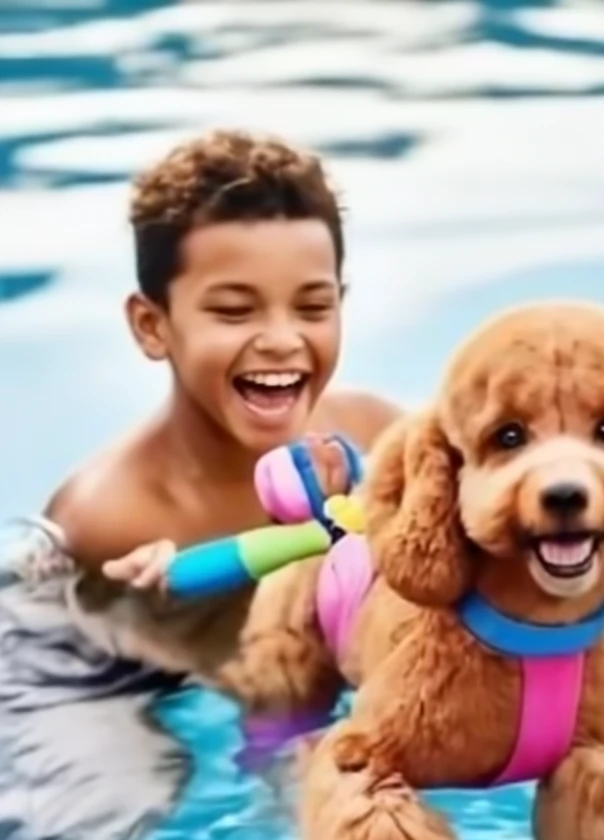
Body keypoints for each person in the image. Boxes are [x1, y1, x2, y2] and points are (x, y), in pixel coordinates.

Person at [44, 128, 400, 591]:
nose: (282, 340)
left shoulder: (380, 435)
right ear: (151, 326)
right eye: (234, 311)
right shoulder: (104, 522)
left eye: (313, 307)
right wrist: (154, 609)